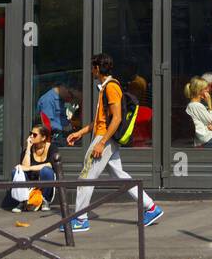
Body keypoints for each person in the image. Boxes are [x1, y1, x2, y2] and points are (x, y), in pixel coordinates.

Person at [64, 53, 163, 233]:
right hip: (105, 137)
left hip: (104, 140)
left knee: (86, 177)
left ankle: (80, 219)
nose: (90, 70)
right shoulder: (106, 87)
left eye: (92, 67)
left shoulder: (111, 88)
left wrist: (101, 143)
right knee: (121, 176)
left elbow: (116, 119)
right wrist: (80, 132)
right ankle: (151, 207)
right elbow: (101, 120)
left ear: (97, 68)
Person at [12, 124, 56, 212]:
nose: (31, 136)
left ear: (43, 138)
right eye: (30, 133)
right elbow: (24, 167)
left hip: (44, 185)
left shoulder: (52, 148)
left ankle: (45, 200)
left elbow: (50, 165)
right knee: (16, 171)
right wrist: (28, 147)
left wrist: (30, 168)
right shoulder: (30, 149)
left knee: (46, 171)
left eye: (34, 135)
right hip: (30, 184)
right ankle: (23, 200)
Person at [184, 76, 212, 147]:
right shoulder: (196, 106)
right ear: (199, 91)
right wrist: (209, 103)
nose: (208, 90)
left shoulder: (193, 105)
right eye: (205, 89)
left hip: (205, 138)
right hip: (208, 139)